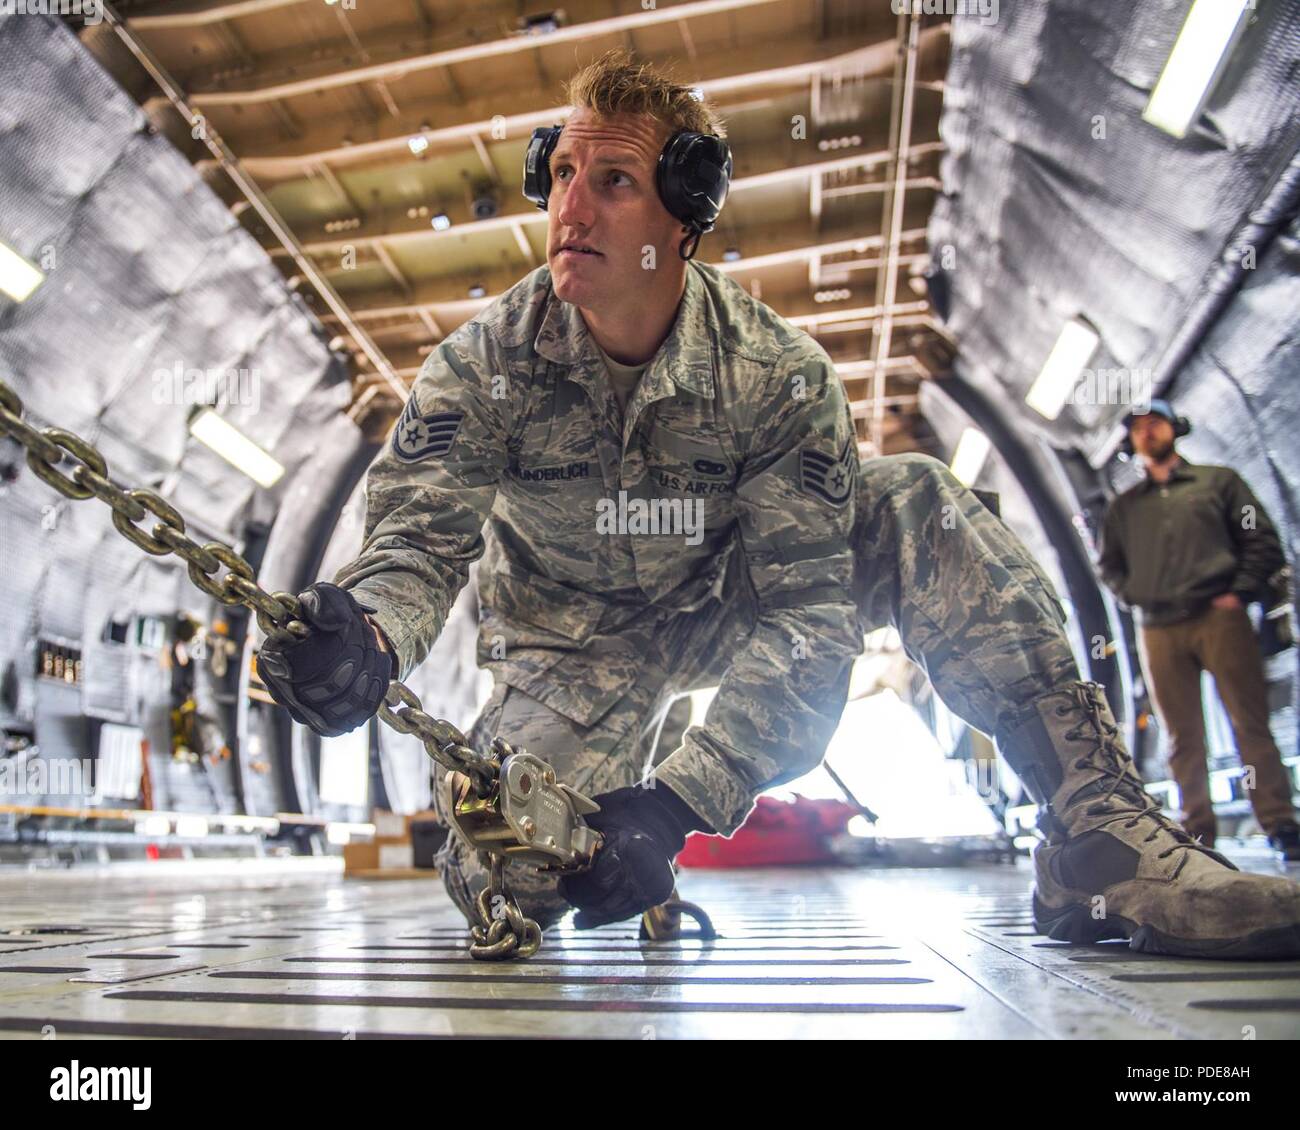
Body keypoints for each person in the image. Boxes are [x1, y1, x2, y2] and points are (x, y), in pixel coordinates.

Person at [258, 52, 1300, 958]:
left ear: (683, 208)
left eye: (613, 180)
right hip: (573, 647)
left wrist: (673, 806)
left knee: (915, 500)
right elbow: (418, 537)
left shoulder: (777, 376)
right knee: (508, 877)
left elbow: (808, 623)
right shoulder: (481, 366)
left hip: (731, 606)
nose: (570, 208)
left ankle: (1098, 836)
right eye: (563, 172)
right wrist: (373, 635)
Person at [1098, 399, 1299, 860]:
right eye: (1138, 429)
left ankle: (1280, 822)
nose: (1147, 433)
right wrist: (1135, 595)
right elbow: (1108, 565)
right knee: (1180, 734)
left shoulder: (1218, 483)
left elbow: (1261, 538)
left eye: (1156, 424)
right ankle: (1197, 831)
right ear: (1131, 443)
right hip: (1158, 628)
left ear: (1175, 429)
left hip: (1219, 616)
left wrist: (1239, 592)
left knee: (1249, 723)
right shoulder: (1124, 508)